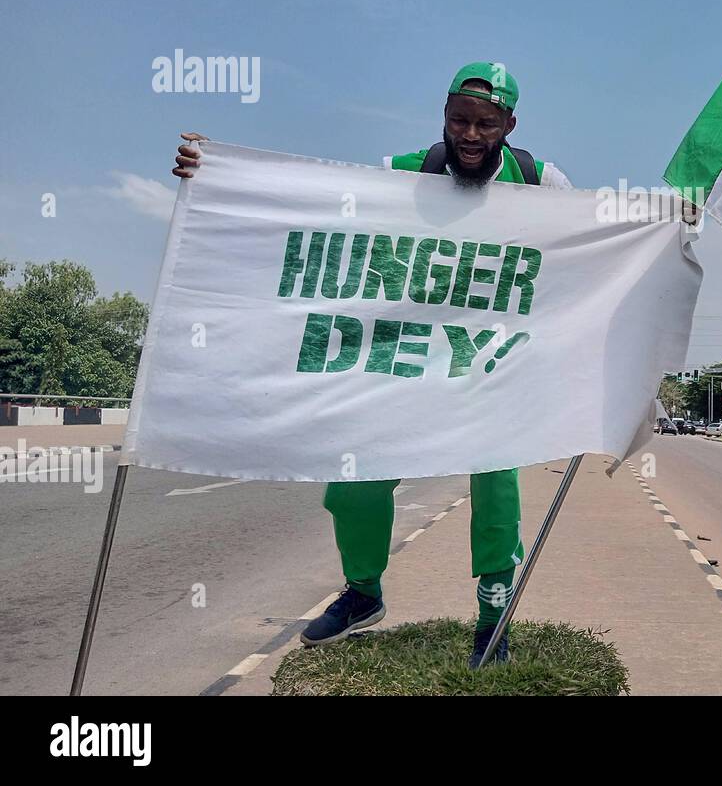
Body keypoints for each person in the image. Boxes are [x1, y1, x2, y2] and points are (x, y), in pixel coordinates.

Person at [171, 62, 572, 668]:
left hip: (483, 364)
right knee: (355, 478)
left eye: (485, 124)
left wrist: (668, 220)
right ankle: (363, 592)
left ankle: (493, 620)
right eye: (458, 120)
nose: (469, 135)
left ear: (510, 124)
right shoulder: (400, 174)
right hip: (400, 356)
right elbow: (311, 206)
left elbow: (605, 232)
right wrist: (221, 177)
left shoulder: (542, 182)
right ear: (443, 115)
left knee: (497, 483)